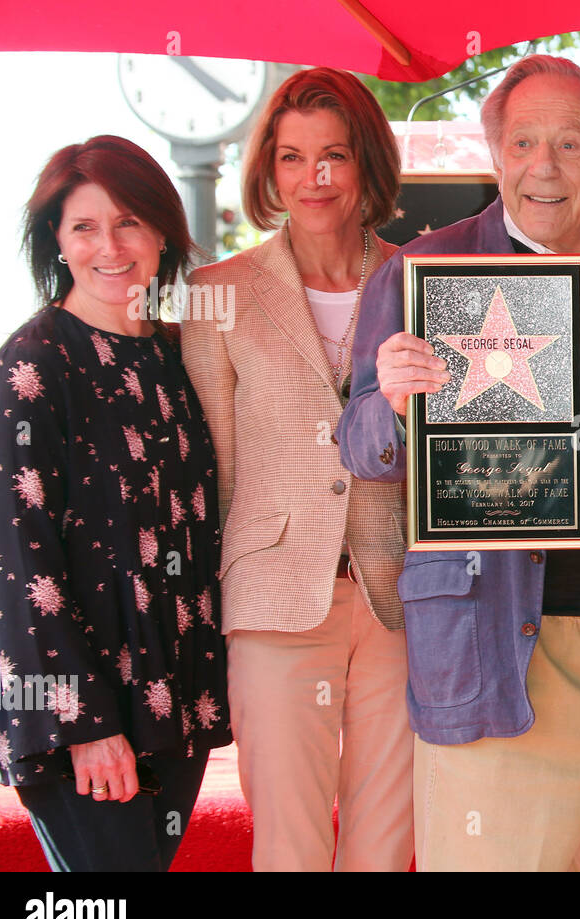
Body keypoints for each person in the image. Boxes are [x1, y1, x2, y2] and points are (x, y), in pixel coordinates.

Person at [337, 54, 580, 871]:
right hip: (502, 647)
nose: (543, 166)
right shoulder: (424, 272)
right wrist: (393, 401)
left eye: (571, 145)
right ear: (496, 154)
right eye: (523, 142)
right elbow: (360, 447)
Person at [0, 135, 230, 871]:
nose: (109, 246)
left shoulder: (178, 358)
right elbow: (20, 560)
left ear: (160, 234)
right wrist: (83, 723)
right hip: (74, 707)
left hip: (173, 695)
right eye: (83, 226)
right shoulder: (33, 364)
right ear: (55, 240)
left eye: (129, 222)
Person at [182, 67, 413, 871]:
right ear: (269, 171)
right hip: (277, 600)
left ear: (366, 166)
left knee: (386, 843)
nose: (312, 177)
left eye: (333, 155)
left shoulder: (423, 283)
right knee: (290, 844)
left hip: (400, 600)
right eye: (290, 157)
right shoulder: (218, 294)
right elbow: (216, 468)